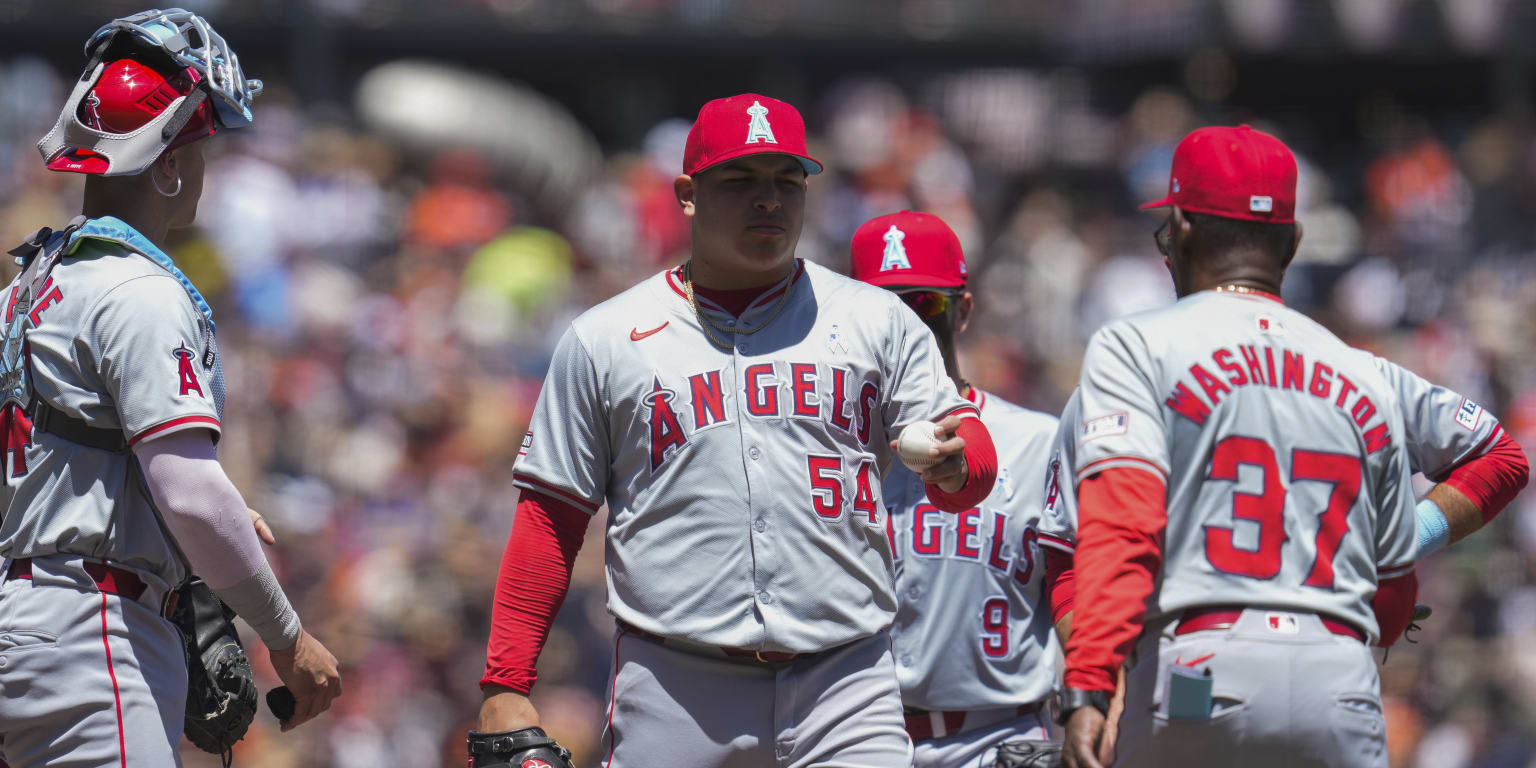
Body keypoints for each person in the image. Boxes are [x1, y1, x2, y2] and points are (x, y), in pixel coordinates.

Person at [472, 94, 998, 768]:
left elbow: (969, 453)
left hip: (847, 680)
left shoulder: (876, 319)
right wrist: (505, 683)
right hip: (676, 684)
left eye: (786, 181)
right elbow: (551, 515)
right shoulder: (606, 338)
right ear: (688, 194)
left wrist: (958, 468)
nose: (769, 201)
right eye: (742, 181)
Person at [1052, 125, 1529, 768]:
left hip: (1197, 668)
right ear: (1293, 241)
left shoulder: (1138, 350)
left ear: (1181, 229)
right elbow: (1502, 457)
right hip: (1337, 681)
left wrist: (1089, 679)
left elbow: (1120, 528)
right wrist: (1403, 540)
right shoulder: (1366, 371)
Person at [0, 10, 341, 766]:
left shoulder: (27, 288)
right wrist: (287, 638)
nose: (205, 165)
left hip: (21, 617)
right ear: (166, 163)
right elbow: (190, 493)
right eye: (200, 143)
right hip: (92, 638)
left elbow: (83, 460)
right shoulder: (140, 292)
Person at [848, 210, 1064, 767]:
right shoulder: (827, 449)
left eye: (925, 304)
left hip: (1001, 739)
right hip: (859, 743)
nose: (904, 326)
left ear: (962, 310)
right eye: (883, 308)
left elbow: (1080, 587)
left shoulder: (1038, 442)